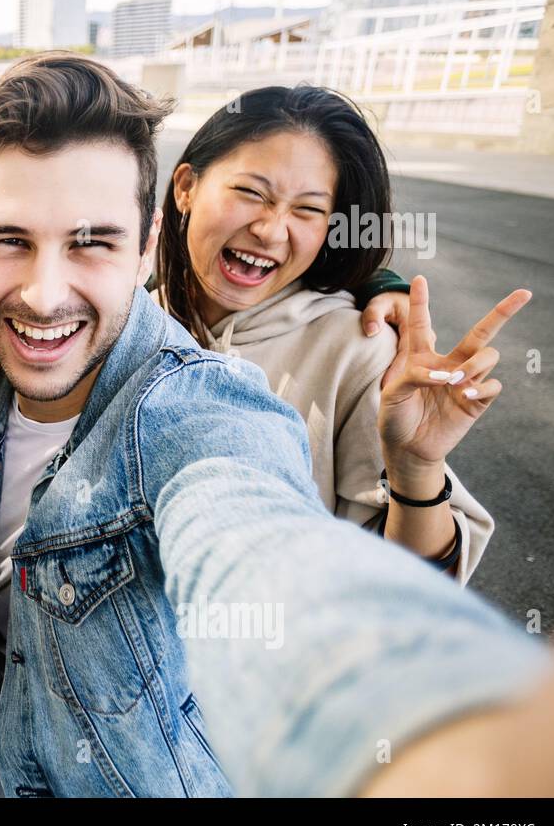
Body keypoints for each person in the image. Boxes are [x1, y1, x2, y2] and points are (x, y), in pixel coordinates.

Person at [0, 52, 541, 797]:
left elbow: (249, 528)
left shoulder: (219, 401)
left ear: (143, 241)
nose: (47, 294)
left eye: (92, 241)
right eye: (9, 239)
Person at [153, 85, 506, 580]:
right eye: (251, 192)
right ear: (186, 186)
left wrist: (416, 466)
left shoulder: (358, 348)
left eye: (308, 210)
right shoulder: (127, 320)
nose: (272, 230)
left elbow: (420, 587)